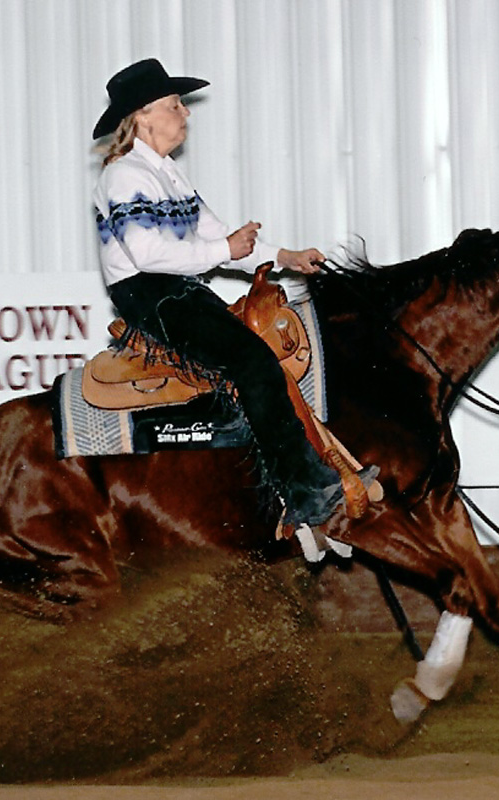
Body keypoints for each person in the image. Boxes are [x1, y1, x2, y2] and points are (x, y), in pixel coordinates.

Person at [91, 58, 342, 527]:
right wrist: (222, 247)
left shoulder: (168, 174)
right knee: (252, 361)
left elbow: (223, 239)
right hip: (149, 293)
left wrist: (285, 257)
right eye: (174, 104)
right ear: (144, 115)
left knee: (256, 356)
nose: (185, 113)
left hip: (178, 290)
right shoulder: (124, 176)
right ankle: (302, 492)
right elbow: (146, 253)